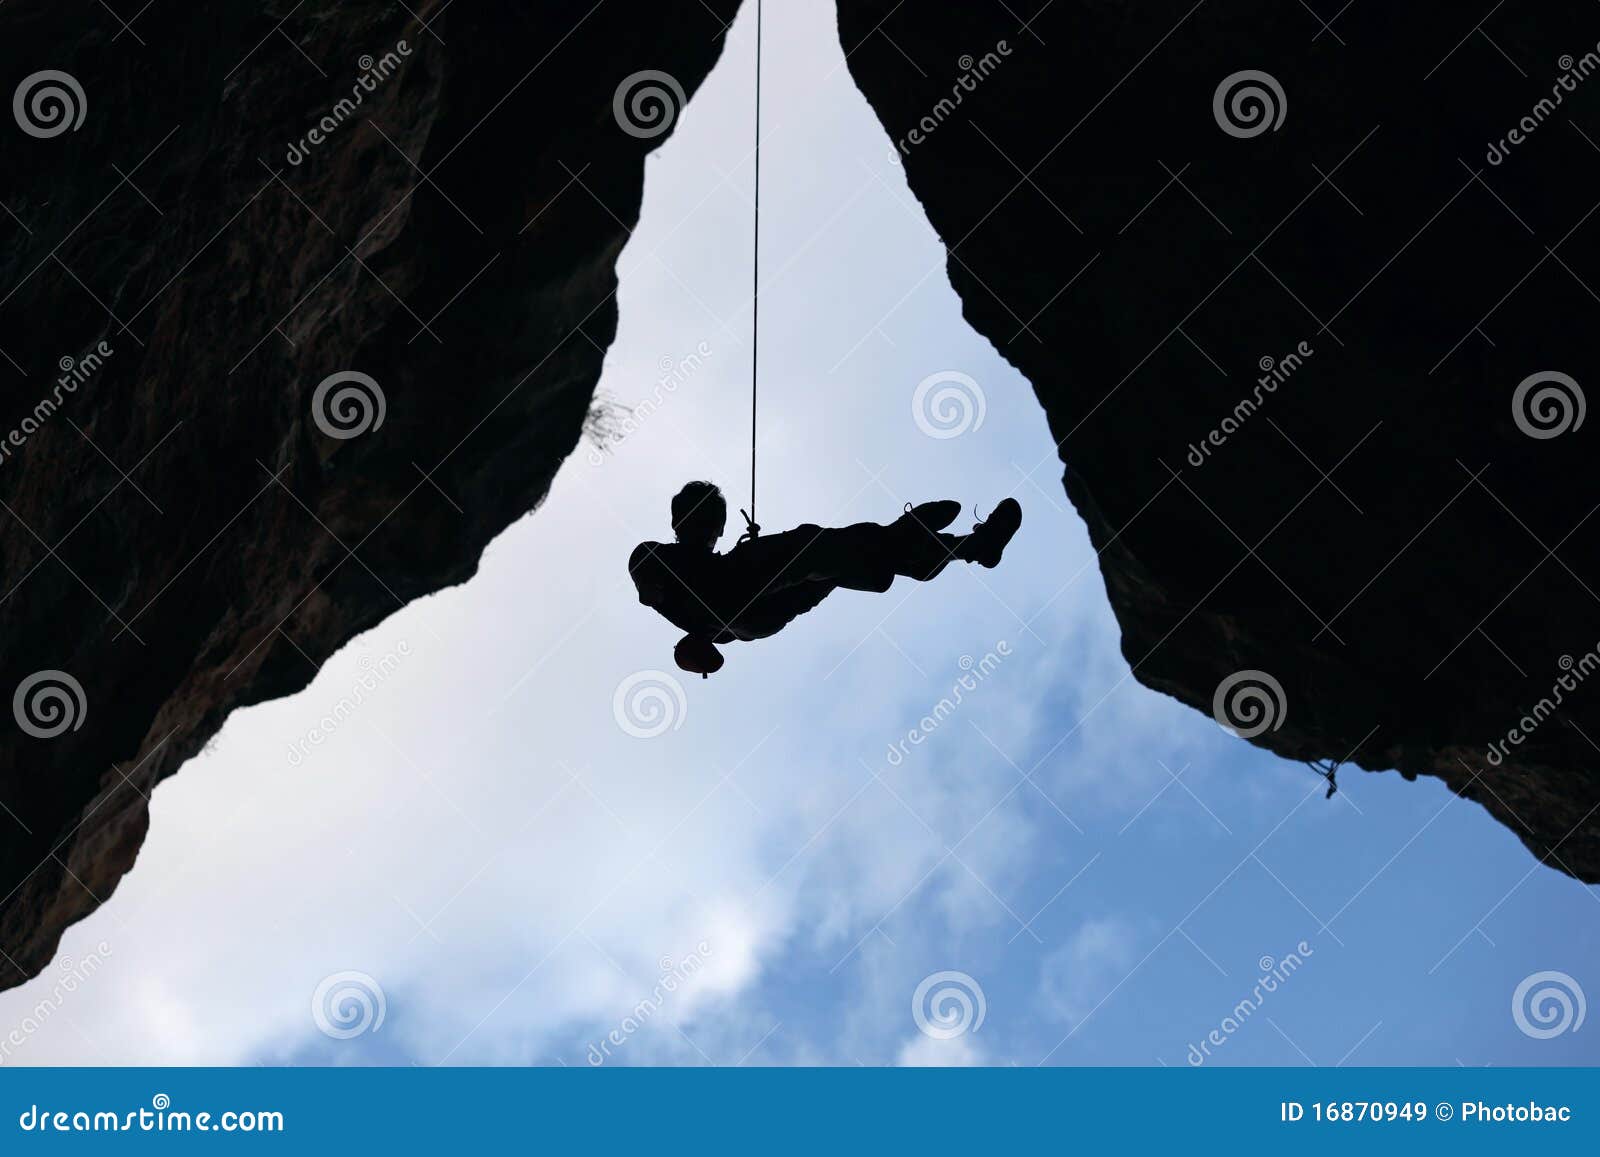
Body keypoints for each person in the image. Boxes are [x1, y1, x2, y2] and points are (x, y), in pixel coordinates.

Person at [628, 481, 1022, 675]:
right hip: (738, 608)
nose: (711, 533)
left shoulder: (702, 561)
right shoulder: (653, 556)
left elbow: (681, 594)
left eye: (714, 526)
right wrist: (745, 558)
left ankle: (964, 548)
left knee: (834, 565)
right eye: (707, 523)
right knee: (813, 548)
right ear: (681, 521)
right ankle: (907, 542)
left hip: (755, 618)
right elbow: (660, 587)